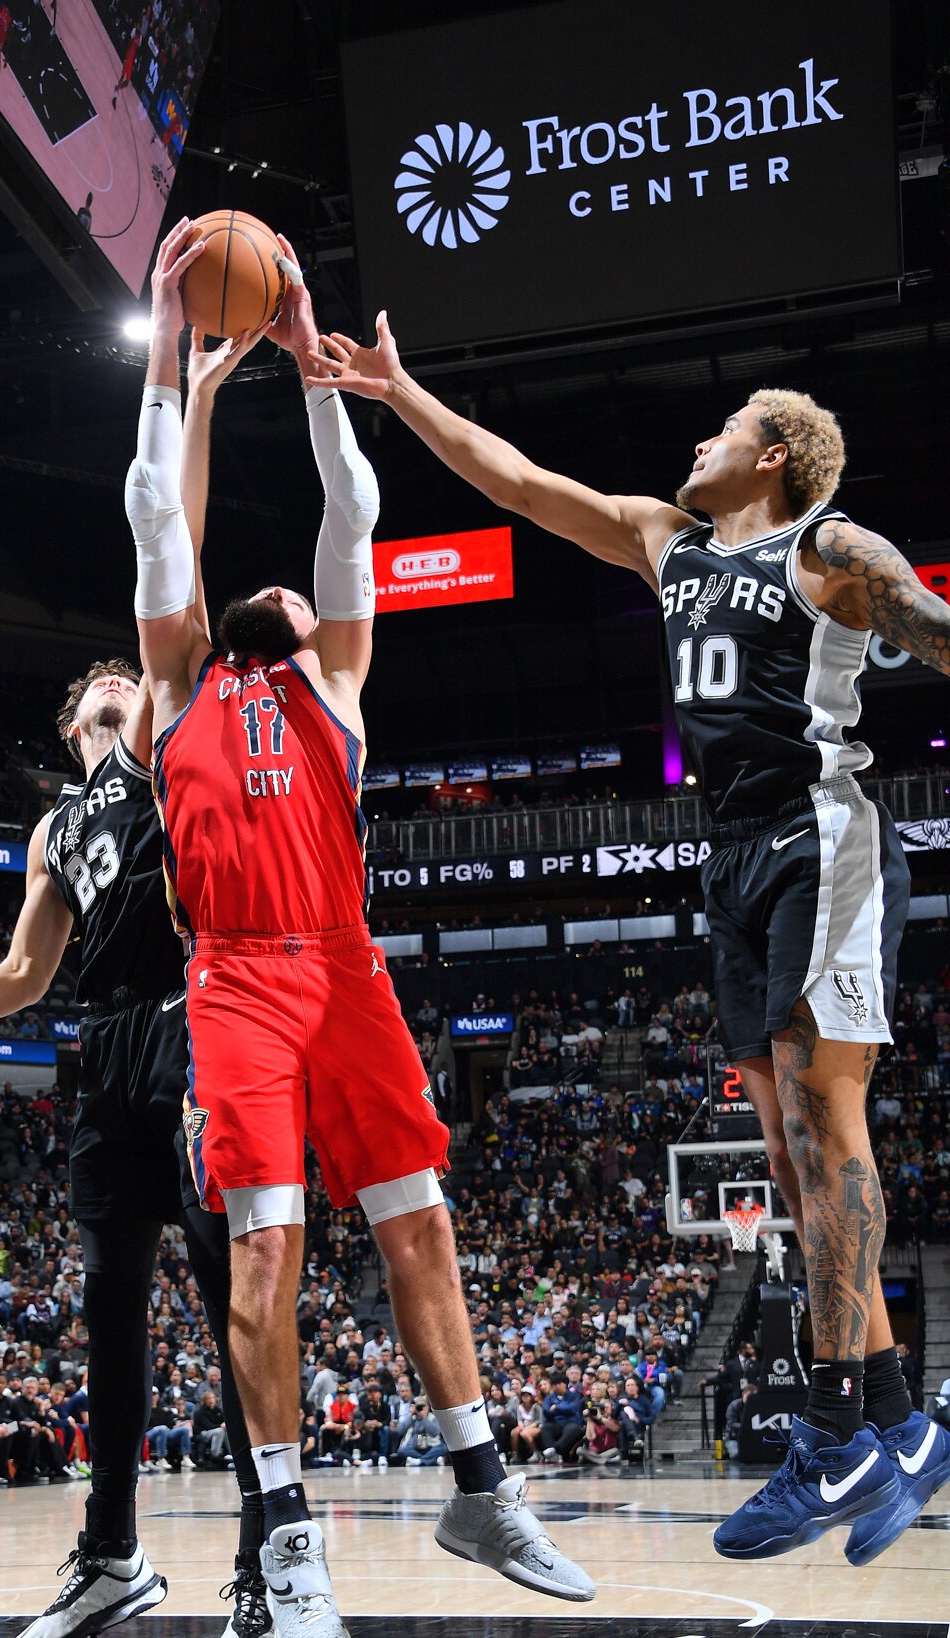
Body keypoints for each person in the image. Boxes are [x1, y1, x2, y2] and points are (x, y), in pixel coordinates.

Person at [310, 312, 950, 1566]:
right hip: (731, 854)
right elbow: (518, 483)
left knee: (825, 1126)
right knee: (787, 1157)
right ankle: (898, 1422)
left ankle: (830, 1434)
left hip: (819, 834)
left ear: (774, 453)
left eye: (723, 428)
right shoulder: (668, 542)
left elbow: (934, 627)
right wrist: (396, 392)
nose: (697, 442)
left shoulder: (826, 549)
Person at [128, 218, 594, 1638]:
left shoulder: (337, 677)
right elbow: (155, 512)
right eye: (264, 588)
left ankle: (481, 1490)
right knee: (263, 1257)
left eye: (298, 587)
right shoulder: (174, 684)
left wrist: (313, 363)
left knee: (420, 1223)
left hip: (345, 967)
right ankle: (284, 1542)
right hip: (236, 982)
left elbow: (353, 510)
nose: (286, 584)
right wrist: (168, 344)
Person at [0, 654, 270, 1638]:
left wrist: (155, 658)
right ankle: (112, 1550)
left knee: (228, 1298)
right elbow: (29, 970)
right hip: (105, 1044)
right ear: (71, 725)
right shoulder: (55, 828)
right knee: (110, 1308)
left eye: (128, 673)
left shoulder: (160, 752)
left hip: (193, 1018)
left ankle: (265, 1562)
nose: (117, 678)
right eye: (96, 683)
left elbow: (168, 647)